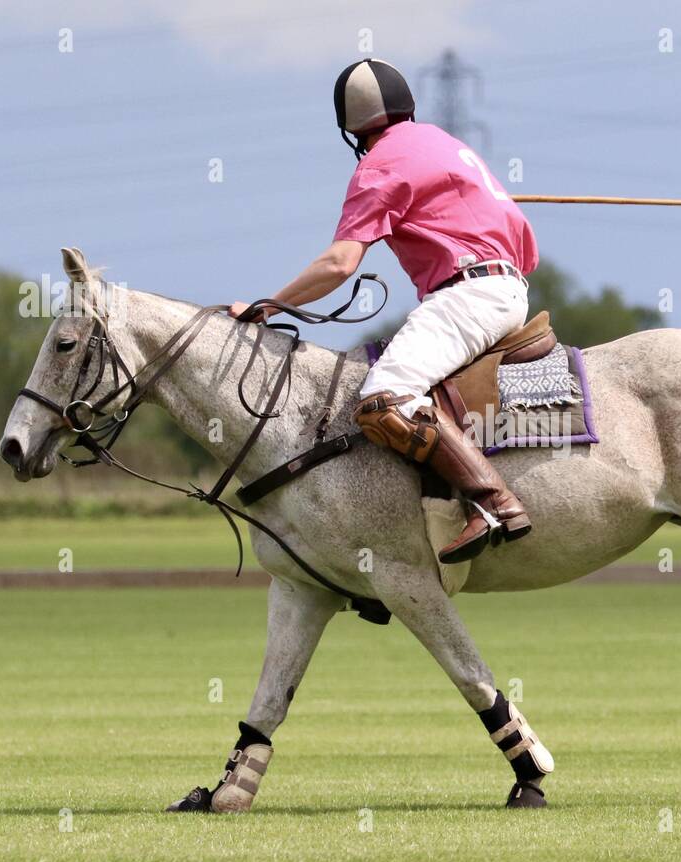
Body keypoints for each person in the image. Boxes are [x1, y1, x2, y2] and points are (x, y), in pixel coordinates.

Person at [231, 58, 539, 564]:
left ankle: (492, 504)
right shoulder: (447, 146)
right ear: (407, 107)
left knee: (382, 399)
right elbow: (527, 252)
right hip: (508, 289)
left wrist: (269, 305)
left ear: (351, 129)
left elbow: (339, 264)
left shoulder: (377, 168)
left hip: (467, 295)